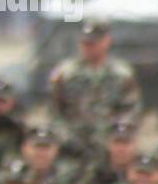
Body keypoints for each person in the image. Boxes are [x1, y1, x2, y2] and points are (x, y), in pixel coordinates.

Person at [48, 19, 140, 160]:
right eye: (84, 43)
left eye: (93, 44)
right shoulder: (65, 74)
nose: (88, 48)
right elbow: (55, 113)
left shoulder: (121, 74)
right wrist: (67, 139)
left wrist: (117, 138)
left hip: (110, 148)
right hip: (73, 148)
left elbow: (130, 110)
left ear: (106, 42)